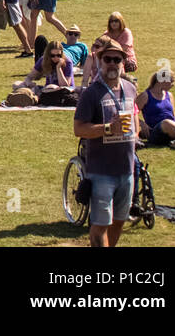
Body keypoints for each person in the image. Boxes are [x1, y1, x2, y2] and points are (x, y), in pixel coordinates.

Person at [73, 38, 138, 247]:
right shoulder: (92, 93)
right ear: (100, 62)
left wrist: (135, 133)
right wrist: (108, 129)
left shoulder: (130, 88)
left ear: (123, 62)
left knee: (119, 222)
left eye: (116, 59)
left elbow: (135, 115)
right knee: (100, 225)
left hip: (126, 170)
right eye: (107, 59)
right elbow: (79, 129)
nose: (112, 63)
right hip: (101, 172)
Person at [136, 70, 175, 149]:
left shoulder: (169, 95)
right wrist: (142, 124)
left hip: (173, 127)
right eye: (171, 81)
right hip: (156, 131)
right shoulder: (145, 96)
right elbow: (131, 113)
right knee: (166, 123)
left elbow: (173, 115)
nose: (173, 85)